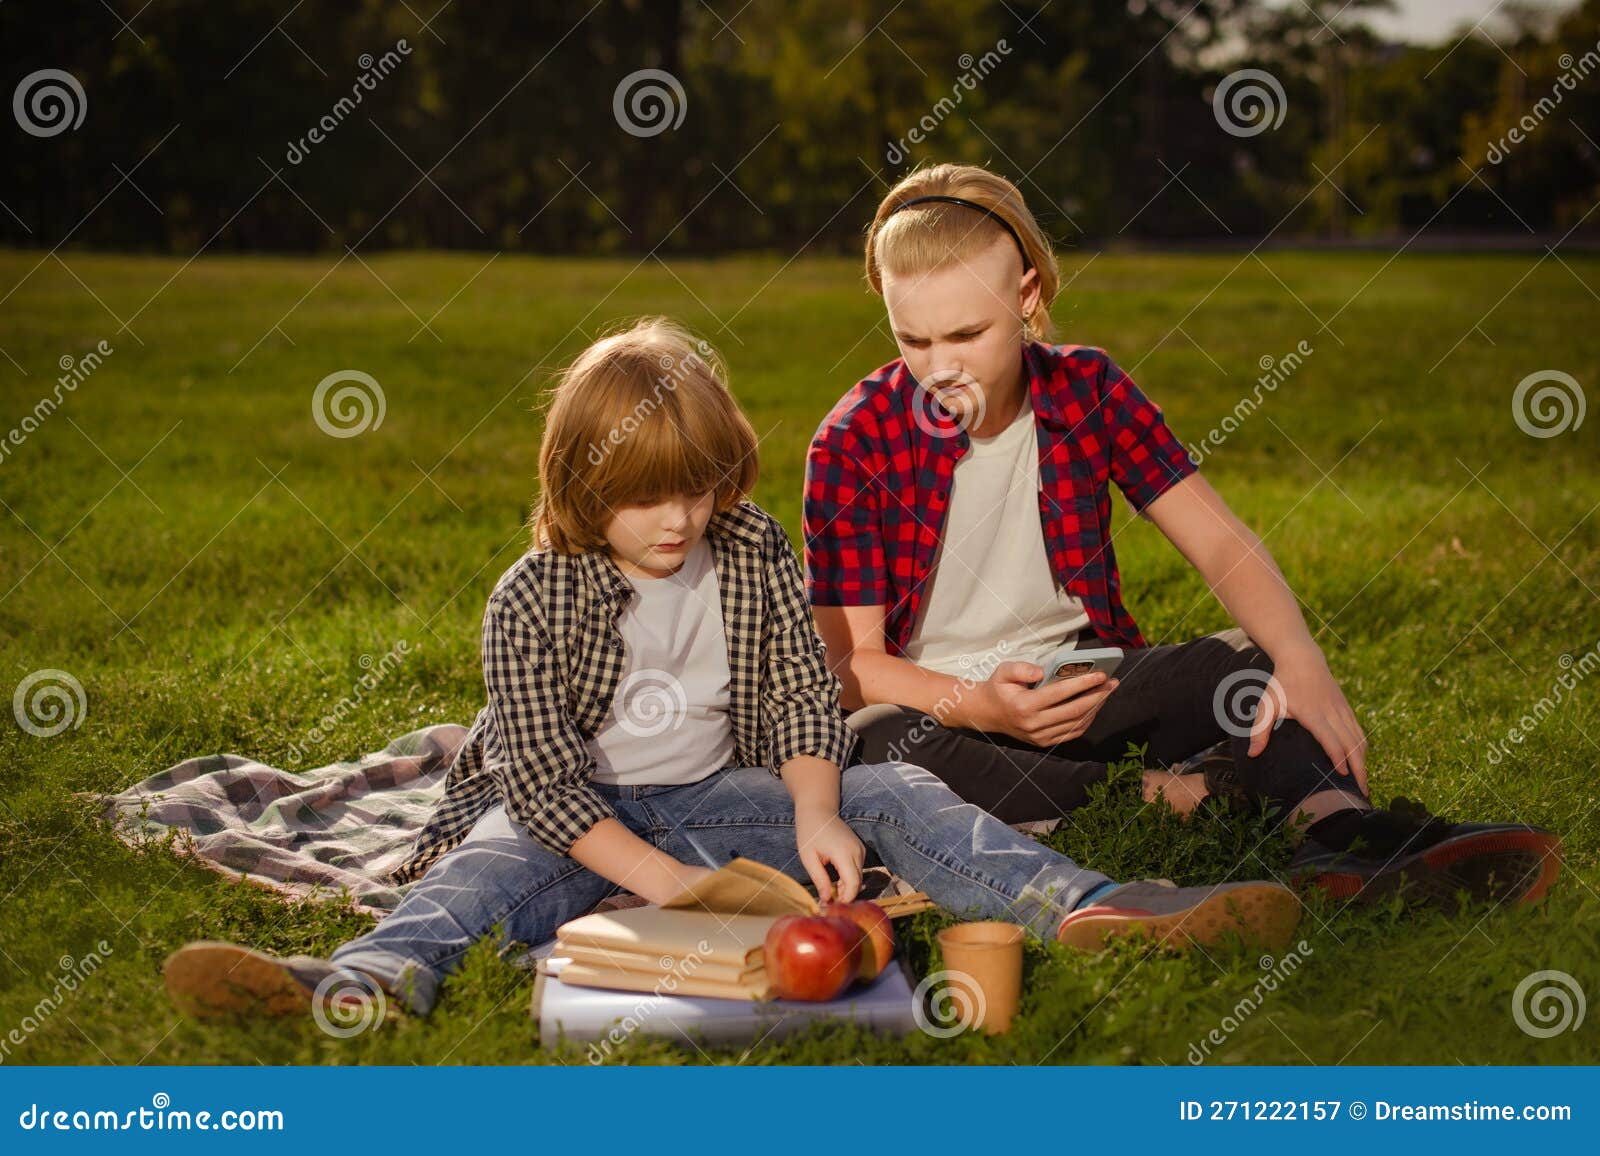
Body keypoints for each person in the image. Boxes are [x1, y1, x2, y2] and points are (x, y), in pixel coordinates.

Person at [163, 318, 1300, 1021]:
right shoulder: (531, 597)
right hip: (572, 820)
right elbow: (545, 788)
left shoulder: (746, 547)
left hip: (714, 795)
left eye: (699, 489)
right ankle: (360, 980)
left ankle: (1099, 909)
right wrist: (673, 890)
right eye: (646, 497)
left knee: (897, 791)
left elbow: (803, 692)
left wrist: (814, 809)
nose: (680, 519)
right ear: (580, 487)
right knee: (475, 879)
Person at [804, 163, 1561, 909]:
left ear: (1026, 295)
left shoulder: (1088, 389)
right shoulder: (853, 441)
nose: (940, 368)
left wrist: (1299, 658)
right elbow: (849, 666)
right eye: (914, 339)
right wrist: (982, 706)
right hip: (946, 721)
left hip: (1081, 691)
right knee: (869, 741)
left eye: (967, 334)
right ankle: (1183, 796)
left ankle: (1343, 837)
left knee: (1247, 659)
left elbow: (1223, 544)